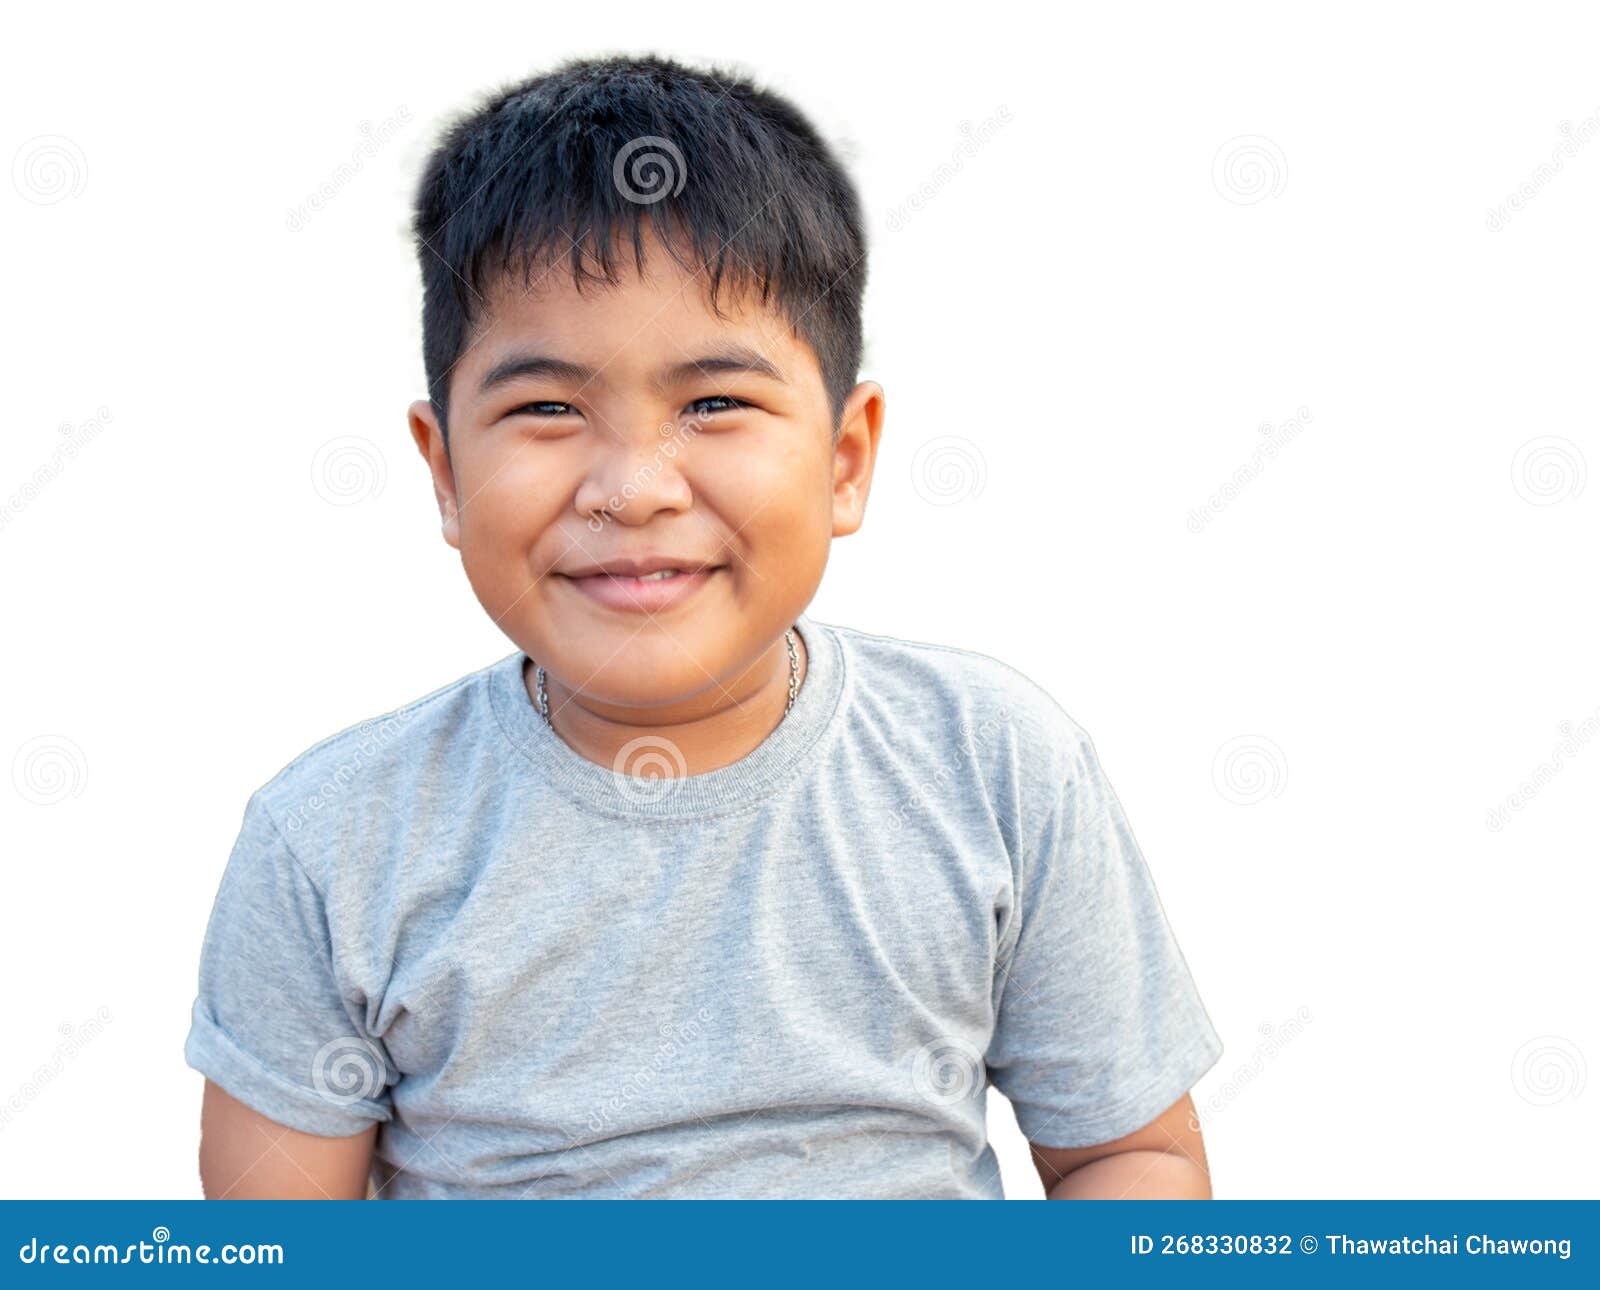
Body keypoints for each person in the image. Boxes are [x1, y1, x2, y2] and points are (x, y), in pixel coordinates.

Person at [184, 53, 1223, 1200]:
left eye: (713, 403)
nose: (633, 488)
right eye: (546, 410)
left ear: (844, 457)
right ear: (444, 473)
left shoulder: (994, 768)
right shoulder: (333, 843)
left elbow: (1127, 1155)